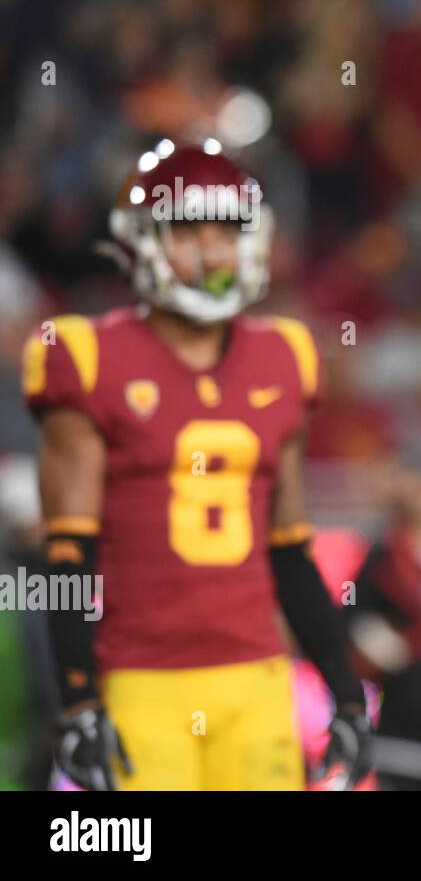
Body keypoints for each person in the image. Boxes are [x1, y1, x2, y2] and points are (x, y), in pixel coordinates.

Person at [24, 139, 372, 790]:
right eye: (187, 230)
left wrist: (344, 694)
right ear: (141, 239)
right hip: (142, 682)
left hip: (258, 678)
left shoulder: (286, 356)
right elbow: (66, 556)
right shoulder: (89, 356)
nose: (210, 252)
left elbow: (290, 550)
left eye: (226, 230)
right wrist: (76, 701)